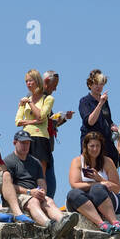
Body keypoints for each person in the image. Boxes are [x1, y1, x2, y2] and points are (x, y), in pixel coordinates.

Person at [2, 130, 79, 237]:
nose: (25, 146)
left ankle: (63, 221)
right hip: (18, 196)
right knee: (33, 202)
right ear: (15, 143)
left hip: (34, 194)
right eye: (22, 143)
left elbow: (41, 181)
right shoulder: (8, 161)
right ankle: (50, 226)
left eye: (27, 143)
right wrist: (29, 192)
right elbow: (7, 186)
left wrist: (42, 191)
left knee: (49, 200)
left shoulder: (35, 162)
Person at [66, 131, 120, 234]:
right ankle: (102, 224)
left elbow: (117, 188)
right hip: (85, 202)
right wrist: (96, 183)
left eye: (98, 146)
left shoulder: (107, 161)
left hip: (105, 198)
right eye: (92, 146)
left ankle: (115, 223)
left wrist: (100, 179)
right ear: (86, 146)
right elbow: (74, 184)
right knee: (72, 193)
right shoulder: (77, 161)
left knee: (97, 189)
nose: (95, 149)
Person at [16, 70, 56, 194]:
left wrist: (30, 103)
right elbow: (18, 121)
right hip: (26, 137)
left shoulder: (48, 98)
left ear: (37, 81)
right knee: (26, 171)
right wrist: (33, 121)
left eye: (30, 80)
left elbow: (41, 116)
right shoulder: (25, 99)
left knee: (41, 174)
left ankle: (42, 197)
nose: (28, 84)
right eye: (26, 81)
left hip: (41, 138)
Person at [78, 69, 120, 170]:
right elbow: (90, 121)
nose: (99, 87)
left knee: (111, 168)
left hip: (105, 142)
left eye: (101, 84)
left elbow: (108, 120)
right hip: (91, 143)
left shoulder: (105, 101)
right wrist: (100, 103)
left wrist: (113, 127)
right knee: (92, 172)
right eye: (96, 83)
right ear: (90, 84)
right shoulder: (85, 101)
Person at [39, 71, 72, 199]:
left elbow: (50, 124)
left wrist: (64, 118)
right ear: (46, 81)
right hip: (41, 148)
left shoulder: (44, 98)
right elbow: (42, 121)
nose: (56, 88)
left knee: (50, 187)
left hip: (47, 148)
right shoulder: (38, 98)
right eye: (54, 85)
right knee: (46, 186)